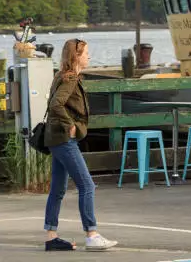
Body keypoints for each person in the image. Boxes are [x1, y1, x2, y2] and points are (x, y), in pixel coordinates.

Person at [42, 39, 117, 252]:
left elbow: (54, 103)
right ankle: (91, 234)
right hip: (64, 140)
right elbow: (56, 104)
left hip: (56, 139)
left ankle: (51, 237)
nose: (89, 56)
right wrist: (71, 125)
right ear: (75, 56)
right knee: (87, 186)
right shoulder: (70, 78)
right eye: (85, 53)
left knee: (57, 189)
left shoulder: (61, 76)